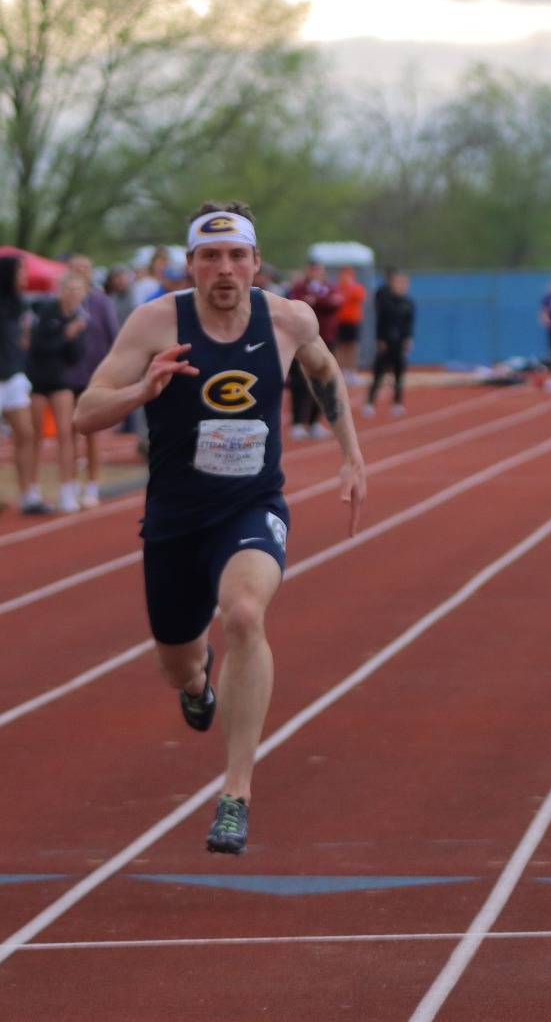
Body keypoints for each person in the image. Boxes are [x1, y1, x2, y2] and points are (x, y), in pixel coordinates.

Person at [74, 201, 367, 854]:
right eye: (210, 257)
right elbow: (86, 413)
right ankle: (198, 681)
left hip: (251, 504)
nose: (225, 268)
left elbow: (323, 372)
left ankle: (235, 792)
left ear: (257, 263)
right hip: (176, 518)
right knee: (175, 660)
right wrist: (141, 392)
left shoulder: (289, 318)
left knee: (242, 613)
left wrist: (351, 452)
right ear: (191, 266)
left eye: (237, 255)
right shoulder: (154, 321)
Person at [25, 270, 89, 514]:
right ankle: (31, 489)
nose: (72, 294)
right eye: (68, 289)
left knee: (65, 432)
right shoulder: (46, 311)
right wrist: (66, 334)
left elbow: (75, 355)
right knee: (34, 435)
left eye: (77, 290)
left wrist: (73, 337)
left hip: (61, 378)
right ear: (60, 290)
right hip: (37, 379)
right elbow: (39, 345)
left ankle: (66, 489)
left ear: (83, 294)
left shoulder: (81, 318)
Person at [64, 255, 122, 508]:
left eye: (85, 269)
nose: (80, 272)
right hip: (65, 374)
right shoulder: (58, 304)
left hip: (94, 374)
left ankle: (92, 484)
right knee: (67, 431)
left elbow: (115, 338)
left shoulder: (101, 301)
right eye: (76, 269)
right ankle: (70, 484)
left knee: (92, 432)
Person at [0, 254, 43, 515]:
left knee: (26, 434)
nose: (25, 278)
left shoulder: (19, 304)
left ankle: (28, 494)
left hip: (14, 376)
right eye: (21, 272)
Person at [286, 261, 341, 439]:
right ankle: (297, 423)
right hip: (301, 341)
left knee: (322, 381)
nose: (315, 273)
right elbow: (297, 306)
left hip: (325, 340)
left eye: (318, 270)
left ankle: (315, 422)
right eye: (311, 270)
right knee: (299, 383)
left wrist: (316, 301)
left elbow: (335, 304)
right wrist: (317, 302)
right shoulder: (300, 288)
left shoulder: (327, 288)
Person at [365, 269, 416, 418]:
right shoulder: (386, 302)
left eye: (405, 284)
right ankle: (369, 402)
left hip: (400, 343)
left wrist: (408, 338)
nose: (402, 286)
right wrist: (380, 339)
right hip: (386, 342)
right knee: (378, 374)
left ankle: (397, 403)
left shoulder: (408, 303)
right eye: (399, 283)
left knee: (399, 375)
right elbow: (380, 322)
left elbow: (409, 324)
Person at [332, 266, 367, 386]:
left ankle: (351, 372)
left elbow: (358, 297)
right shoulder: (337, 288)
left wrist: (349, 289)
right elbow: (337, 300)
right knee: (340, 347)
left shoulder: (356, 288)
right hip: (340, 321)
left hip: (353, 321)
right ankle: (340, 371)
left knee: (352, 346)